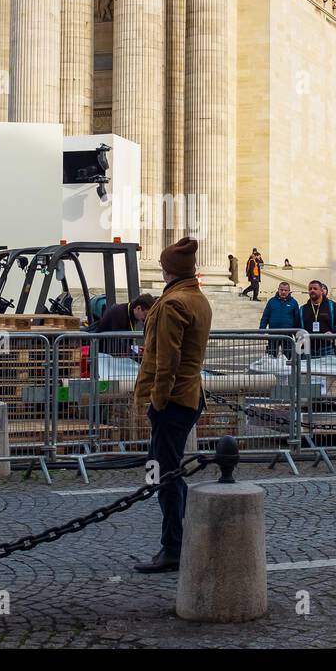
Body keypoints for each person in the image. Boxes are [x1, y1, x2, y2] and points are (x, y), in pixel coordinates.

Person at [132, 237, 213, 574]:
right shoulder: (198, 299)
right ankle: (180, 540)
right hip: (190, 396)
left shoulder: (172, 304)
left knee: (165, 473)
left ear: (168, 270)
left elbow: (167, 360)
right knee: (167, 469)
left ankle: (174, 547)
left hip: (174, 400)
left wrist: (158, 400)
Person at [300, 280, 336, 357]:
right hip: (308, 349)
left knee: (328, 369)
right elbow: (297, 327)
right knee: (307, 369)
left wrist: (333, 333)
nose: (312, 291)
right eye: (310, 289)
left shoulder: (332, 306)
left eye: (315, 288)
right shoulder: (303, 309)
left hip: (327, 348)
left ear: (321, 291)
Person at [259, 281, 302, 356]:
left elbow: (297, 319)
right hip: (273, 334)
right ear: (278, 290)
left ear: (289, 291)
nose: (283, 292)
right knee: (271, 357)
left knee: (288, 357)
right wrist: (261, 329)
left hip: (287, 335)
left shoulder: (293, 302)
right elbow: (265, 316)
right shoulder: (271, 301)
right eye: (281, 290)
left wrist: (297, 334)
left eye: (285, 290)